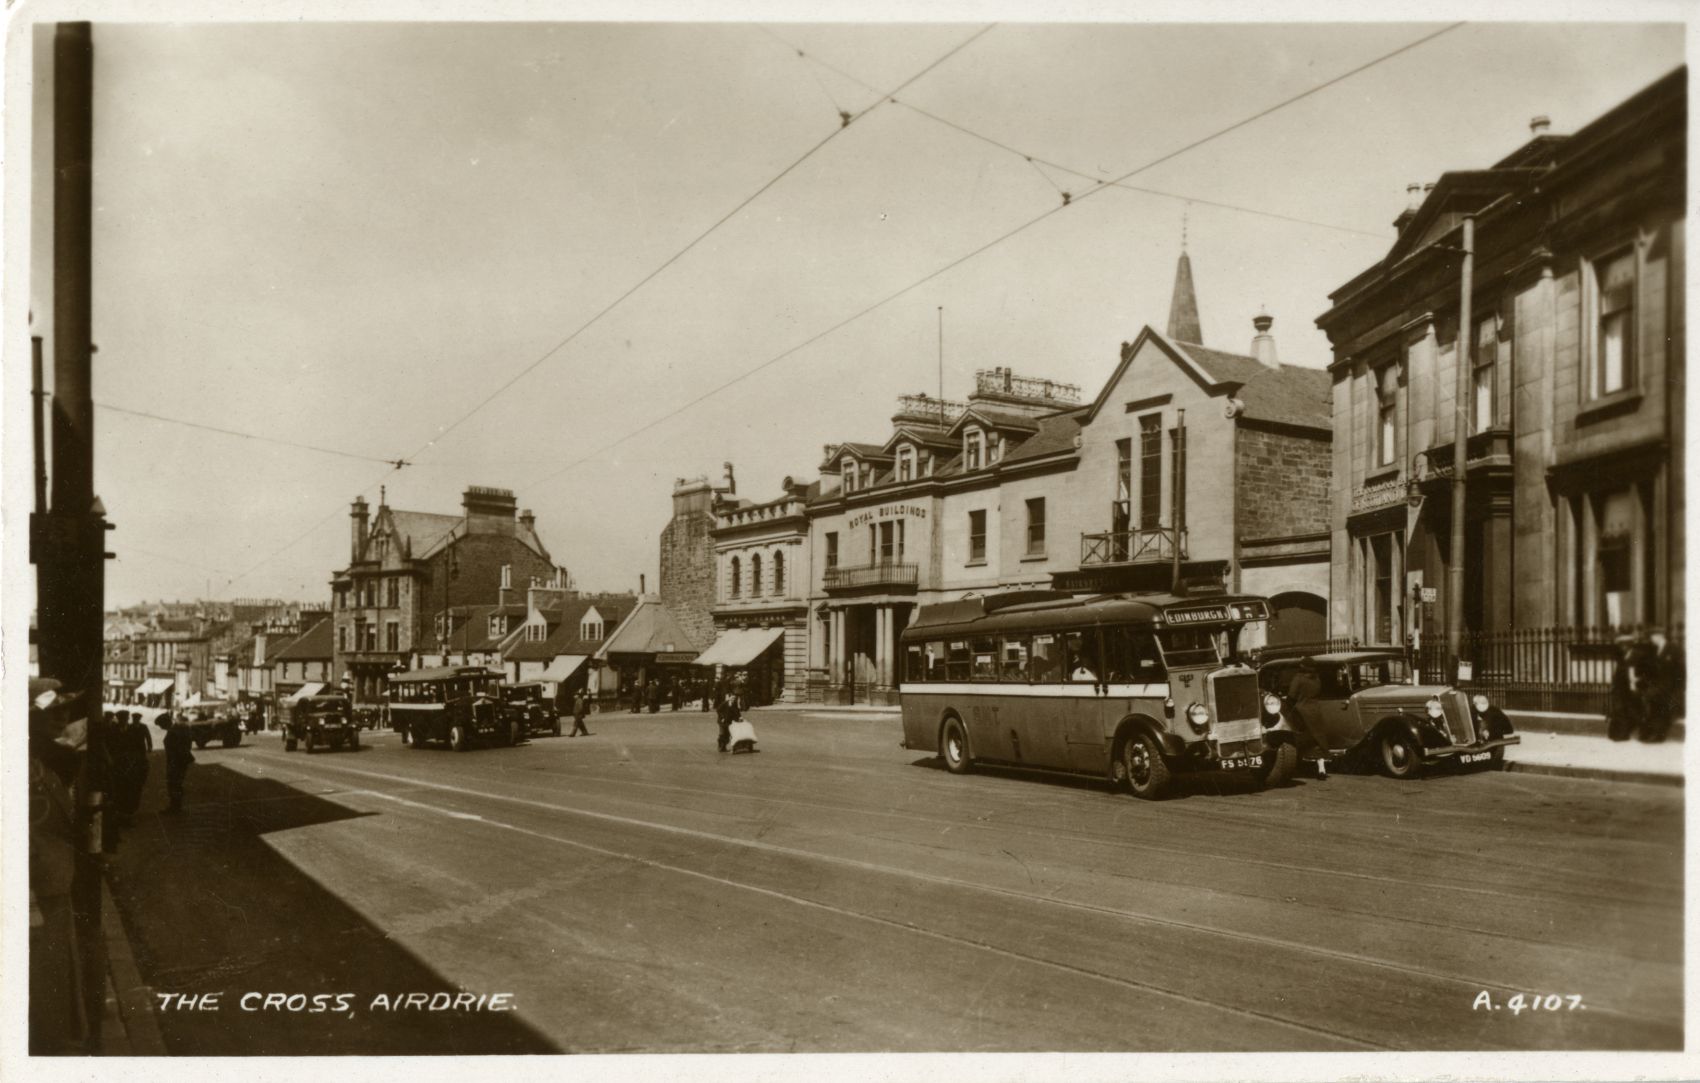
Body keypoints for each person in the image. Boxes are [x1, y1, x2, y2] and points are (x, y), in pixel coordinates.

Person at [161, 714, 196, 814]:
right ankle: (176, 806)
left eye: (161, 725)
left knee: (174, 784)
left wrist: (175, 761)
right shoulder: (176, 729)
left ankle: (175, 807)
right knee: (176, 784)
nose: (161, 728)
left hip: (176, 762)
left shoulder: (174, 731)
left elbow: (181, 747)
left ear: (166, 723)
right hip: (177, 761)